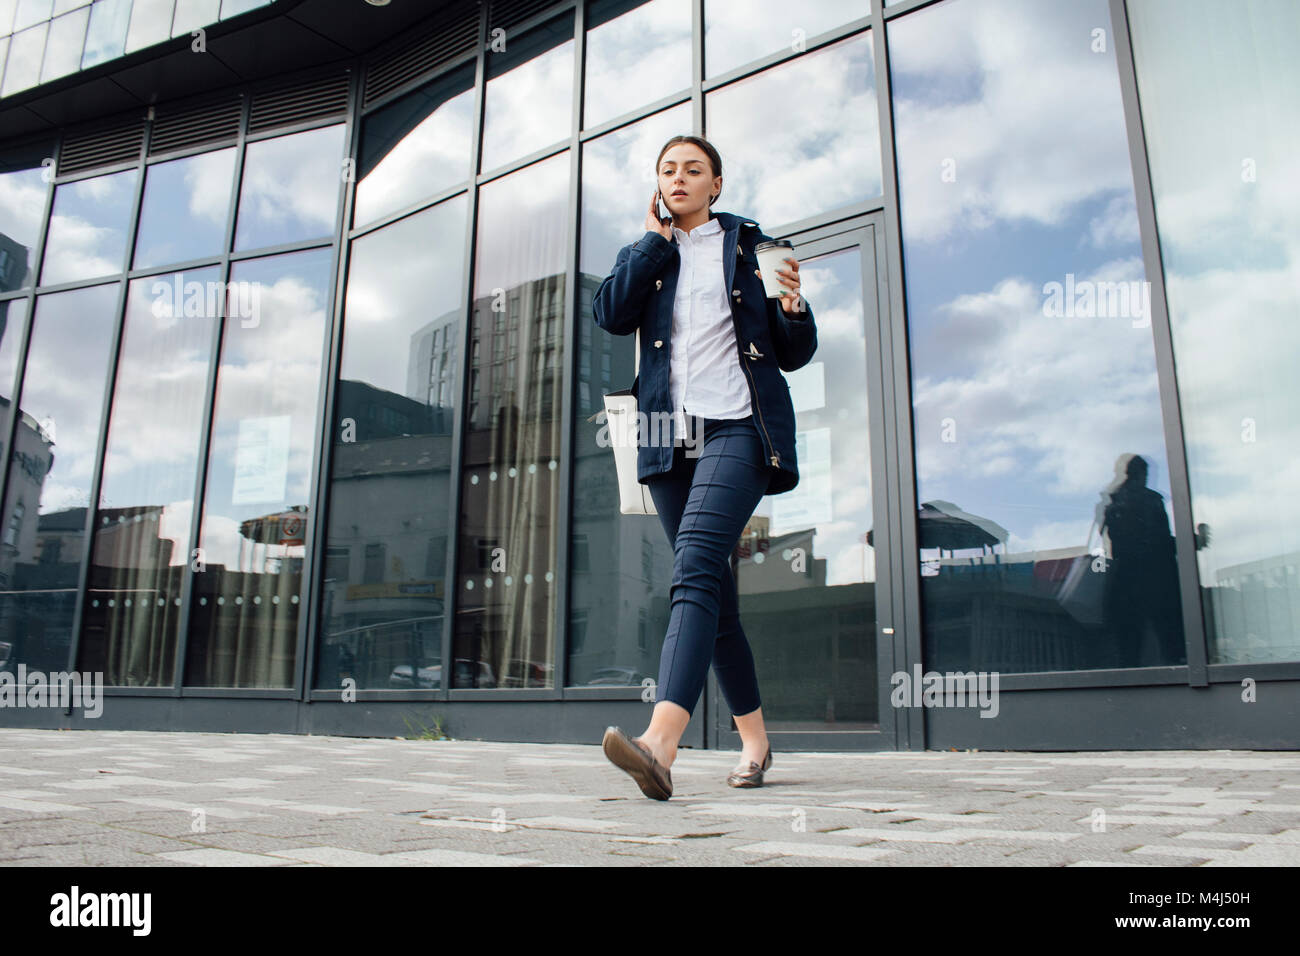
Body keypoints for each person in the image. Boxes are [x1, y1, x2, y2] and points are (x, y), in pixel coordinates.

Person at [592, 134, 818, 800]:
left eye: (694, 169)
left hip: (739, 427)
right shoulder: (650, 255)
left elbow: (795, 350)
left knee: (691, 566)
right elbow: (609, 313)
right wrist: (650, 243)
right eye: (668, 170)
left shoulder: (757, 248)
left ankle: (660, 744)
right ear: (656, 184)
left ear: (716, 184)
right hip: (666, 439)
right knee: (714, 604)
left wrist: (792, 306)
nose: (680, 178)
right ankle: (756, 743)